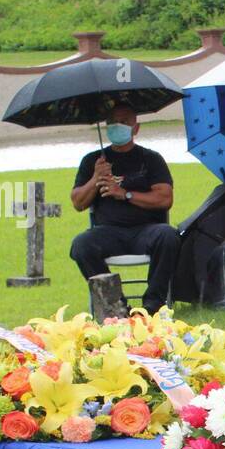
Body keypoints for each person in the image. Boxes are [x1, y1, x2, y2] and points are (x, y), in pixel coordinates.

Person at [69, 103, 178, 312]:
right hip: (108, 232)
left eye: (123, 121)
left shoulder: (151, 159)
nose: (117, 126)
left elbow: (165, 198)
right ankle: (115, 305)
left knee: (169, 236)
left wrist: (125, 194)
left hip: (147, 229)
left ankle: (153, 305)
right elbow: (78, 203)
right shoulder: (93, 160)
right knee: (81, 245)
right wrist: (96, 178)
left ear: (135, 128)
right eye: (112, 122)